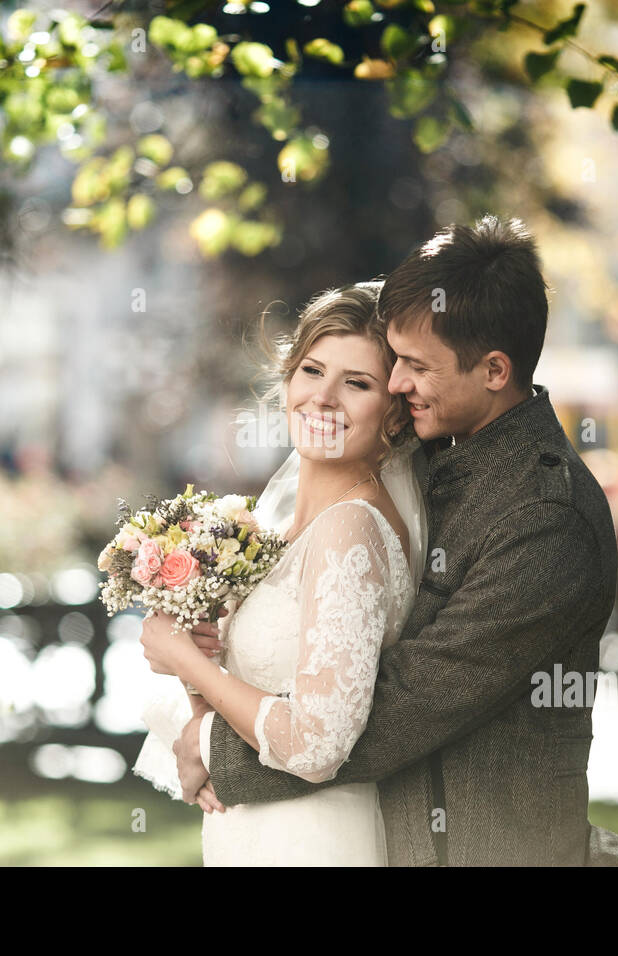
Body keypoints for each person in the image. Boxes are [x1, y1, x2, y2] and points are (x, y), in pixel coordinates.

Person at [162, 215, 618, 866]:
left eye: (414, 366)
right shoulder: (433, 464)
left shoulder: (545, 516)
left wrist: (211, 747)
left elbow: (402, 707)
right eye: (393, 361)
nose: (397, 385)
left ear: (493, 370)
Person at [135, 281, 427, 865]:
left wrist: (185, 661)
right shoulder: (285, 529)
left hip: (311, 840)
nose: (323, 398)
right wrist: (198, 685)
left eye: (358, 383)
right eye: (313, 370)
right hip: (252, 834)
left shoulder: (351, 529)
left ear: (394, 414)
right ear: (288, 378)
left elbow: (318, 741)